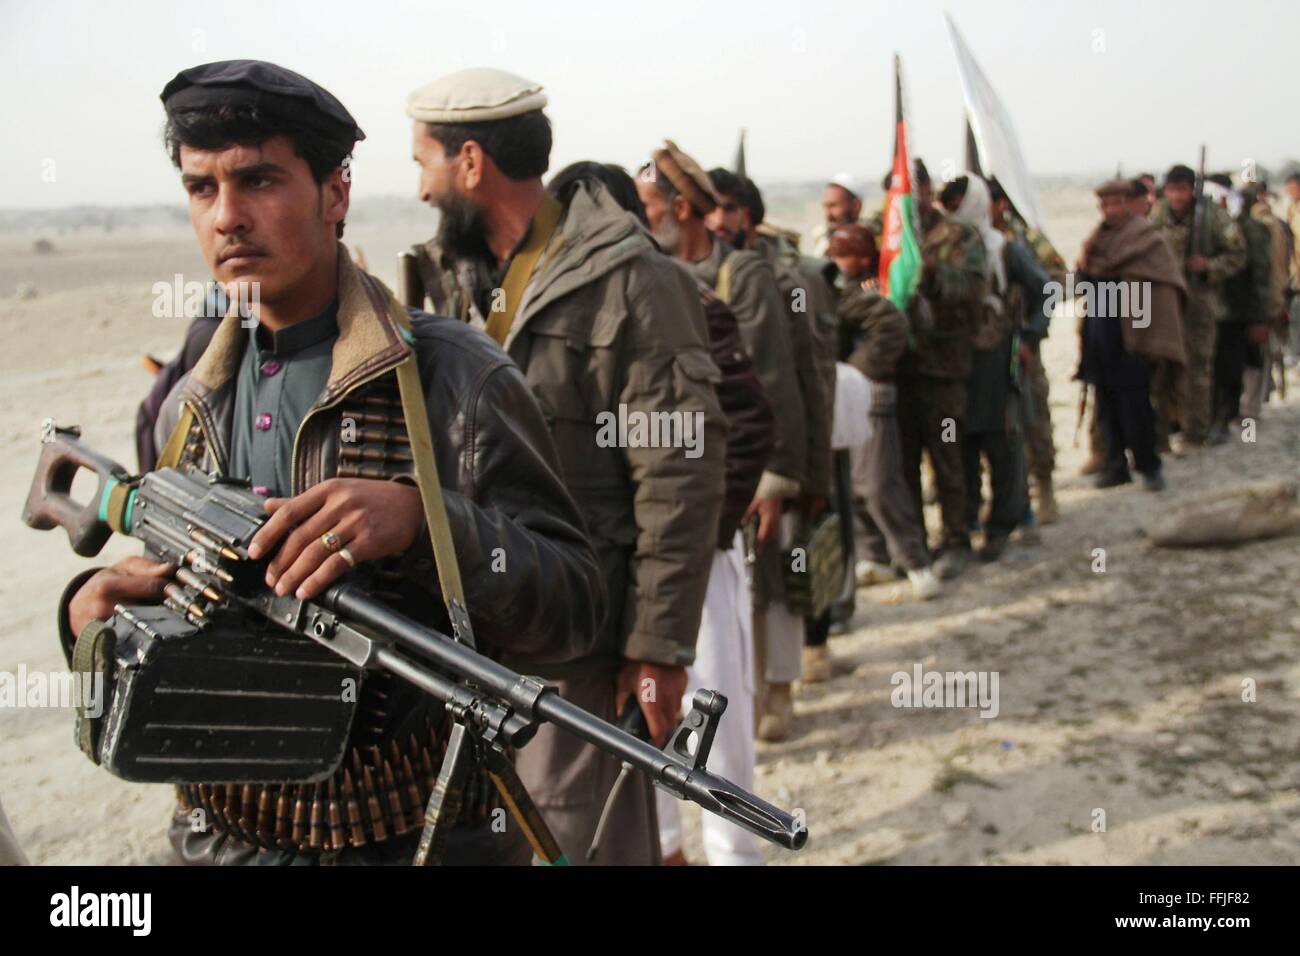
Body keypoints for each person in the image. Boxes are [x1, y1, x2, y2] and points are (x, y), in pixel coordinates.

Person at [60, 60, 604, 865]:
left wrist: (426, 523)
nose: (228, 218)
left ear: (335, 194)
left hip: (412, 836)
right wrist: (87, 613)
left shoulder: (455, 381)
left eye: (259, 181)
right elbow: (182, 610)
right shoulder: (190, 405)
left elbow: (575, 609)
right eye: (202, 189)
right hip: (221, 838)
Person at [405, 72, 727, 865]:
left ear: (471, 162)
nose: (419, 191)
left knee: (578, 841)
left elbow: (679, 472)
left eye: (426, 165)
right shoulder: (448, 283)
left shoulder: (632, 280)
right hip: (471, 642)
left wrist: (658, 649)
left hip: (581, 647)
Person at [548, 160, 773, 866]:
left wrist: (694, 538)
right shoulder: (565, 309)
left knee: (717, 725)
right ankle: (668, 851)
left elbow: (745, 428)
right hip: (618, 570)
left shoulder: (684, 300)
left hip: (693, 561)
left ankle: (738, 853)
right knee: (637, 729)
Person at [636, 141, 807, 742]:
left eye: (650, 203)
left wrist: (772, 482)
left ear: (680, 209)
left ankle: (781, 689)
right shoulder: (656, 278)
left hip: (756, 465)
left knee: (778, 580)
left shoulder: (741, 275)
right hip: (705, 483)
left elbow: (774, 384)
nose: (642, 215)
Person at [825, 224, 939, 603]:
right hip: (843, 393)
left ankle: (915, 561)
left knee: (878, 484)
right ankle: (874, 554)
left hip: (872, 393)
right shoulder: (838, 288)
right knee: (852, 486)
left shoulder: (876, 289)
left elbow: (893, 326)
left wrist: (859, 370)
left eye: (846, 253)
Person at [895, 170, 988, 580]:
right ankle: (913, 545)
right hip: (899, 371)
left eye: (917, 191)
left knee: (947, 457)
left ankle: (955, 539)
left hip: (944, 370)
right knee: (904, 464)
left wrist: (929, 273)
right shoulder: (892, 237)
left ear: (928, 192)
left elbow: (969, 289)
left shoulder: (958, 236)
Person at [1076, 179, 1187, 491]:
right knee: (1106, 406)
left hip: (1133, 337)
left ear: (1127, 204)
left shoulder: (1146, 238)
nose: (1111, 210)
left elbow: (1165, 285)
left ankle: (1150, 467)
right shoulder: (1096, 241)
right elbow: (1085, 280)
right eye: (1106, 205)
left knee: (1136, 406)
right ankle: (1115, 466)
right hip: (1101, 333)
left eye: (1117, 203)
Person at [1149, 164, 1246, 449]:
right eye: (1172, 190)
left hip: (1200, 300)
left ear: (1192, 189)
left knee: (1197, 368)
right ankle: (1161, 436)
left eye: (1182, 190)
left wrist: (1209, 266)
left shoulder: (1213, 216)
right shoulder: (1158, 215)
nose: (1177, 197)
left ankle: (1195, 433)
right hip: (1165, 302)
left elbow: (1238, 255)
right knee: (1162, 369)